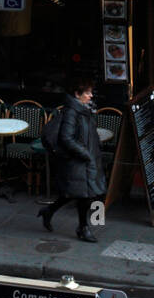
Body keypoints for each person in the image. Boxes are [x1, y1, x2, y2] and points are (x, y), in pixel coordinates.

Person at [38, 77, 106, 242]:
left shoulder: (83, 109)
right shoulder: (72, 112)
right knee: (83, 195)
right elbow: (66, 138)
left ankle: (49, 211)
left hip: (86, 160)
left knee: (74, 193)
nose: (90, 96)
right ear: (77, 94)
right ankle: (83, 228)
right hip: (78, 161)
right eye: (87, 93)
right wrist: (85, 154)